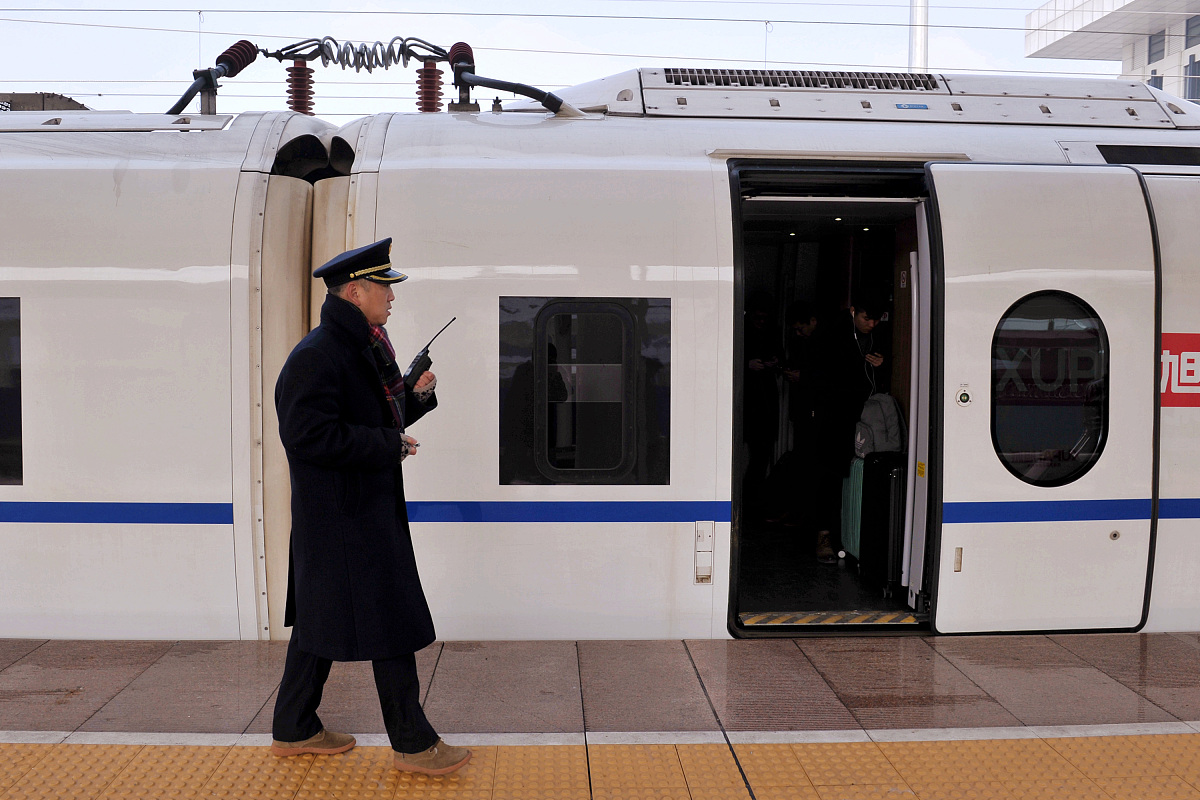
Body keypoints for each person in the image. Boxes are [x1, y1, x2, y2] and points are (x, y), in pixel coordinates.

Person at [270, 238, 471, 776]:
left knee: (317, 622)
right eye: (385, 287)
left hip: (351, 513)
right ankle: (414, 745)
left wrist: (414, 398)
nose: (392, 297)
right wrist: (386, 444)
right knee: (392, 623)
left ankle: (294, 727)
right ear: (355, 292)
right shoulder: (318, 356)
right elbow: (308, 436)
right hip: (347, 519)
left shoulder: (356, 348)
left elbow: (372, 418)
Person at [812, 295, 887, 562]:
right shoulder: (832, 333)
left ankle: (854, 536)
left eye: (876, 319)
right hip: (835, 413)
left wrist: (880, 366)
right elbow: (819, 374)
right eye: (866, 318)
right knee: (831, 474)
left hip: (865, 413)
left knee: (860, 473)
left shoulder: (879, 336)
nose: (871, 324)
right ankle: (824, 535)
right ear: (853, 311)